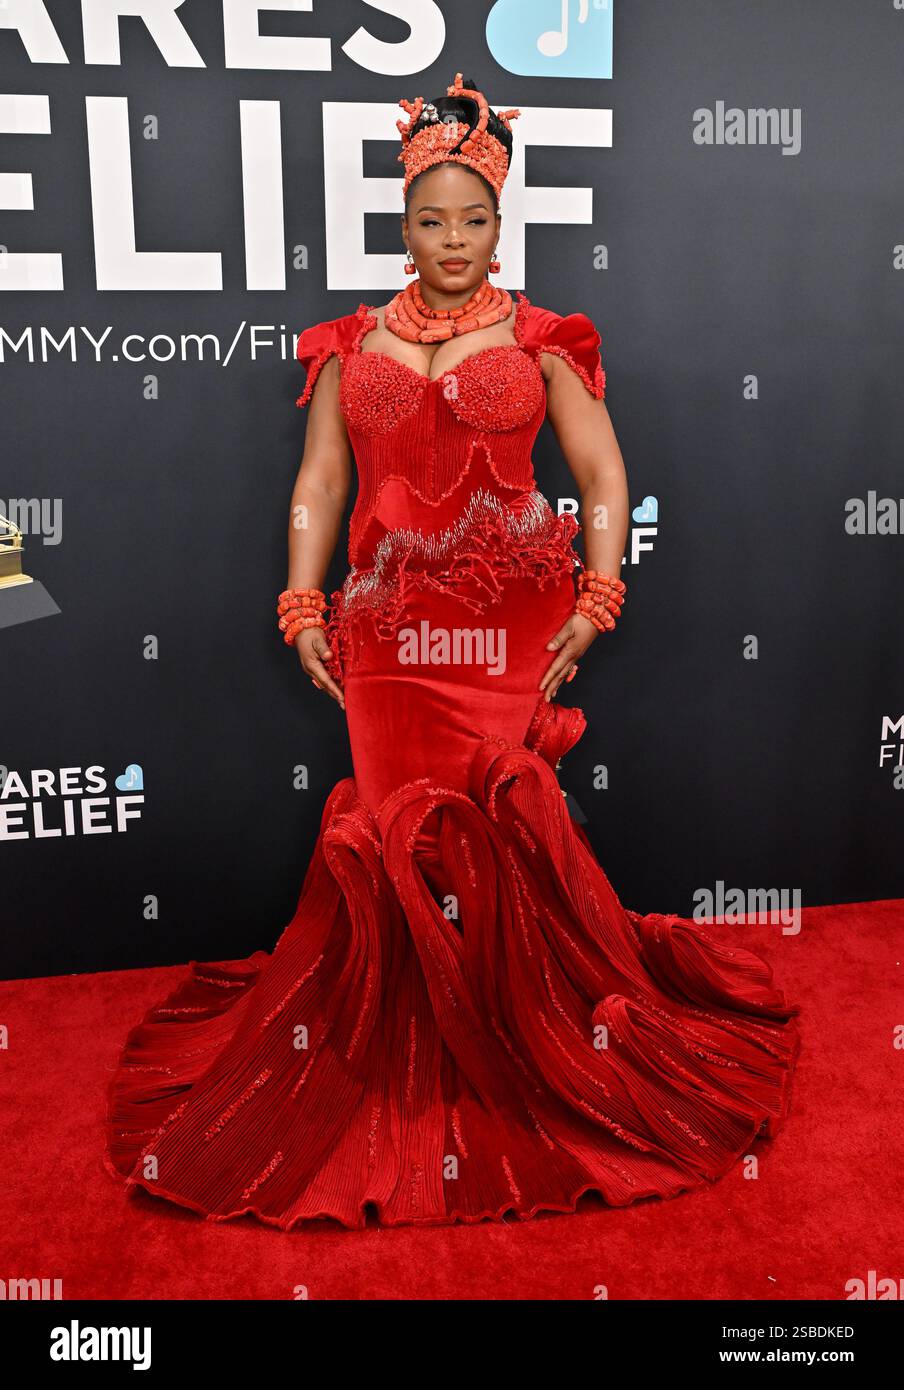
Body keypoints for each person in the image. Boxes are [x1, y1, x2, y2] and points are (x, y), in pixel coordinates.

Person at [105, 74, 801, 1230]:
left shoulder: (543, 336)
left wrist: (600, 590)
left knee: (494, 834)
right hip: (382, 626)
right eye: (432, 221)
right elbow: (322, 481)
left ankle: (529, 1057)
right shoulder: (348, 341)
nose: (453, 243)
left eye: (473, 220)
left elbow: (605, 476)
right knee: (394, 835)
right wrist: (300, 597)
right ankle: (399, 1073)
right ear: (402, 220)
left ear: (499, 216)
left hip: (504, 622)